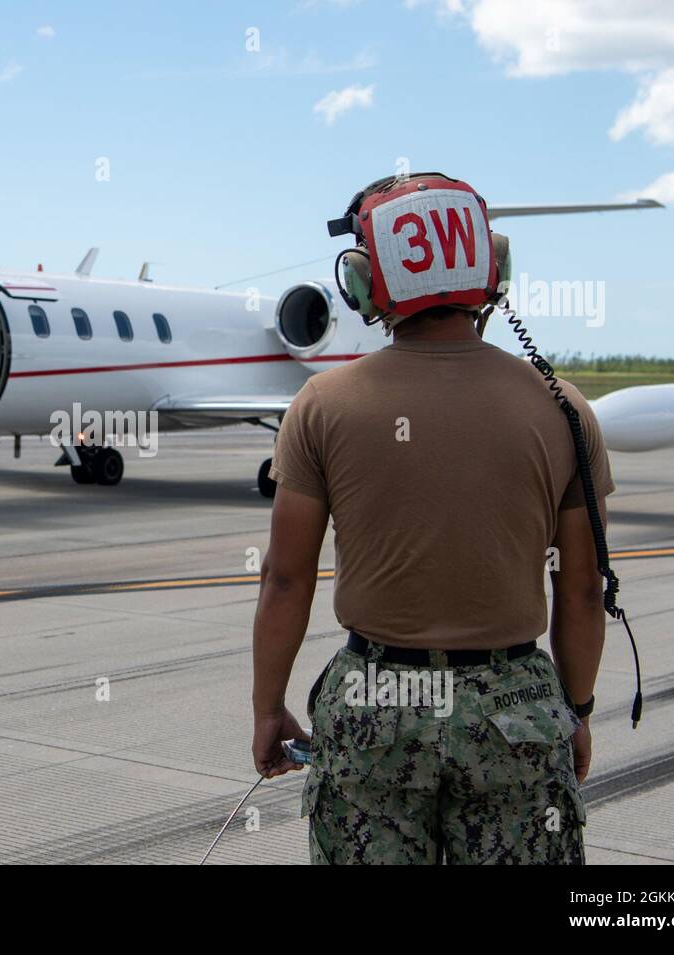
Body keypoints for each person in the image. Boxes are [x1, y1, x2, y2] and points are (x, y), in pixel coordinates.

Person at [250, 172, 613, 864]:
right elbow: (581, 588)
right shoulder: (563, 408)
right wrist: (578, 710)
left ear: (364, 282)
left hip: (373, 705)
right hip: (516, 710)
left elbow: (285, 580)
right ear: (493, 269)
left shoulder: (321, 405)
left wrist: (270, 709)